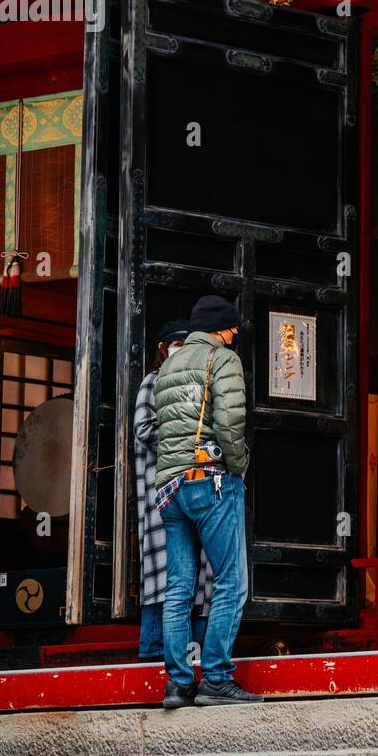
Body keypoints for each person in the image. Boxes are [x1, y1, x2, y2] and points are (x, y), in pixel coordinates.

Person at [154, 295, 259, 707]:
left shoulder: (169, 365)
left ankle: (178, 683)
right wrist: (239, 466)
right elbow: (230, 423)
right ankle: (216, 676)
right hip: (209, 480)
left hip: (170, 488)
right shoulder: (223, 359)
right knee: (231, 581)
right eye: (233, 329)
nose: (235, 336)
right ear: (221, 328)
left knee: (179, 588)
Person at [132, 318, 211, 662]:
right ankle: (153, 651)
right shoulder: (153, 381)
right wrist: (185, 436)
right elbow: (144, 429)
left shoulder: (199, 384)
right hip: (161, 491)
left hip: (198, 488)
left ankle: (194, 652)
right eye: (175, 345)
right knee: (164, 576)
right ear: (162, 350)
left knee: (198, 574)